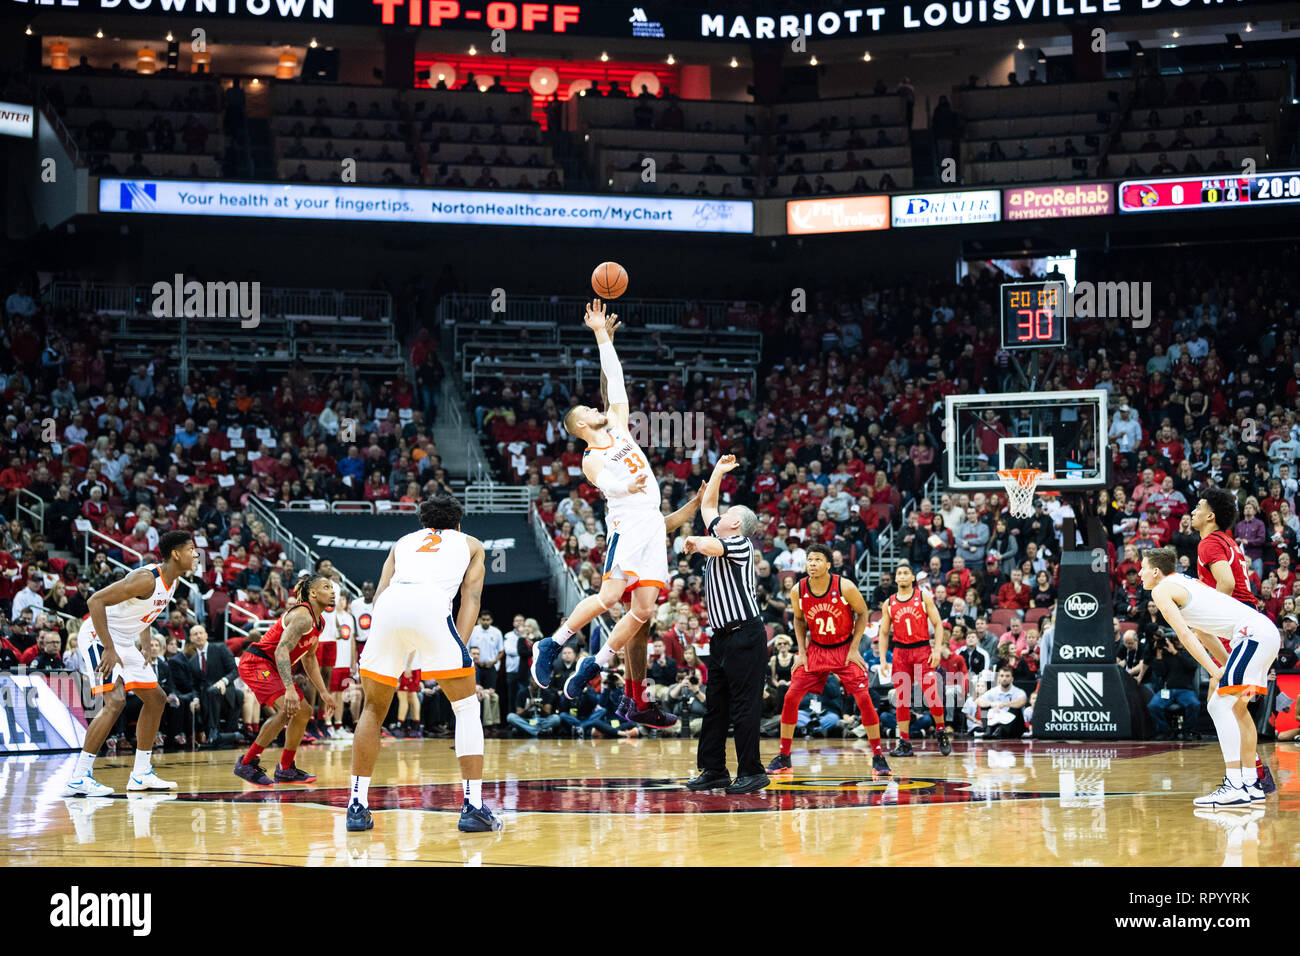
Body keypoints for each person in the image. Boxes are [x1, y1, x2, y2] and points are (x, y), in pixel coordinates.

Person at [531, 302, 682, 727]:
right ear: (579, 426)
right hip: (627, 521)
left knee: (645, 610)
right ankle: (553, 642)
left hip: (651, 523)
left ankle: (596, 662)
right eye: (585, 412)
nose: (594, 409)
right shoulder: (590, 454)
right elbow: (604, 483)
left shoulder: (616, 424)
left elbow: (614, 378)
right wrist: (625, 486)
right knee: (611, 597)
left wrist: (601, 335)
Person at [347, 494, 499, 833]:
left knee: (372, 709)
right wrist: (456, 642)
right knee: (465, 708)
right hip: (432, 605)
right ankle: (473, 806)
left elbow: (380, 593)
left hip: (388, 608)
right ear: (458, 523)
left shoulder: (402, 542)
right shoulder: (472, 543)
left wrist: (398, 643)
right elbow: (471, 597)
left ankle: (357, 805)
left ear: (423, 522)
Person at [1141, 547, 1279, 807]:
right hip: (1264, 636)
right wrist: (1226, 665)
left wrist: (1214, 670)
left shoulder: (1161, 590)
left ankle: (1235, 785)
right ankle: (1251, 784)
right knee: (1238, 709)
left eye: (1143, 567)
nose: (1139, 573)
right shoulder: (1185, 583)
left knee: (1220, 704)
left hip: (1251, 637)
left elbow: (1185, 635)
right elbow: (1204, 634)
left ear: (1156, 571)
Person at [64, 530, 198, 796]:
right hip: (98, 636)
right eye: (191, 549)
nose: (196, 554)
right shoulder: (146, 579)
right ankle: (79, 777)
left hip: (124, 639)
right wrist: (110, 648)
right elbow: (96, 601)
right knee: (116, 702)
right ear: (175, 553)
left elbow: (145, 612)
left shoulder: (173, 582)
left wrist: (146, 643)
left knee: (157, 699)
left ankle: (140, 774)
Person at [680, 455, 769, 794]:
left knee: (745, 706)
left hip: (745, 635)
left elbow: (711, 545)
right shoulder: (724, 531)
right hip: (721, 639)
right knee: (716, 706)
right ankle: (713, 769)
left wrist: (695, 543)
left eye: (728, 515)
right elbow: (708, 504)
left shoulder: (739, 545)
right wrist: (718, 470)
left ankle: (752, 771)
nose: (720, 515)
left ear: (736, 524)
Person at [767, 544, 890, 776]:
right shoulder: (798, 590)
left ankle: (878, 757)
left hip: (843, 649)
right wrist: (802, 652)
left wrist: (854, 649)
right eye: (809, 560)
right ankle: (784, 756)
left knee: (864, 699)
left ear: (828, 564)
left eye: (817, 560)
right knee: (791, 696)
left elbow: (863, 613)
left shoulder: (845, 586)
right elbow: (800, 621)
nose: (812, 564)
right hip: (816, 650)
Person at [1192, 487, 1275, 793]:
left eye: (1198, 507)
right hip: (1248, 623)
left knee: (1223, 702)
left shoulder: (1209, 544)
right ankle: (1254, 777)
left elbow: (1226, 583)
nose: (1192, 512)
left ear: (1210, 516)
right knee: (1235, 705)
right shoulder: (1227, 541)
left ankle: (1241, 781)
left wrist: (1209, 610)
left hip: (1240, 625)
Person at [232, 574, 337, 786]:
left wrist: (324, 692)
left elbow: (309, 658)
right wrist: (289, 688)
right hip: (257, 663)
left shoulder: (319, 622)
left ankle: (286, 769)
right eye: (327, 587)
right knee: (290, 709)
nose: (333, 591)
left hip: (273, 666)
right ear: (313, 593)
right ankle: (247, 762)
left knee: (304, 711)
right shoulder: (302, 617)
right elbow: (281, 651)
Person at [877, 561, 952, 756]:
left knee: (931, 694)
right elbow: (884, 633)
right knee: (901, 700)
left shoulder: (923, 597)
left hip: (922, 650)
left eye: (905, 573)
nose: (901, 576)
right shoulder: (889, 603)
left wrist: (937, 650)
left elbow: (938, 624)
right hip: (901, 653)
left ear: (912, 578)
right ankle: (904, 742)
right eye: (898, 573)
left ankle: (941, 731)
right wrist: (884, 660)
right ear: (895, 578)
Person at [976, 665, 1028, 737]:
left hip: (1013, 726)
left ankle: (1000, 730)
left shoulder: (1018, 691)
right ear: (998, 678)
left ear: (1012, 679)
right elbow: (978, 701)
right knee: (984, 707)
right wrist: (992, 704)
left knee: (1015, 707)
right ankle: (988, 729)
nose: (1004, 678)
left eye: (1007, 676)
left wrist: (1004, 704)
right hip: (996, 721)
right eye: (1002, 676)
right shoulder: (993, 691)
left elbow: (1022, 702)